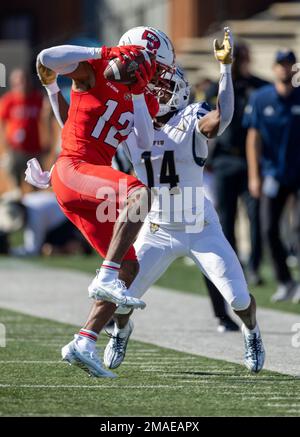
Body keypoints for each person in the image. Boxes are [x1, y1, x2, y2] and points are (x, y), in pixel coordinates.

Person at [38, 28, 265, 376]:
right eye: (155, 83)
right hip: (156, 226)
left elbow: (224, 118)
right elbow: (80, 123)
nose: (159, 88)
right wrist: (55, 92)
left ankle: (252, 332)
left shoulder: (190, 118)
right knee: (121, 299)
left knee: (237, 299)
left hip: (197, 224)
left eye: (164, 84)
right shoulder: (133, 117)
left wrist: (225, 69)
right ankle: (120, 332)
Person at [33, 26, 176, 377]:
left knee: (130, 269)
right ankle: (105, 276)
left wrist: (140, 92)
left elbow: (143, 144)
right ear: (136, 56)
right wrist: (105, 53)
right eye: (156, 67)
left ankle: (84, 341)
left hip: (87, 179)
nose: (159, 77)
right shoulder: (94, 69)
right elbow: (45, 59)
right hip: (74, 169)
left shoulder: (146, 95)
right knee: (140, 194)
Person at [206, 43, 269, 286]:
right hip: (224, 160)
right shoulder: (219, 86)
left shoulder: (259, 87)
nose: (242, 62)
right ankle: (234, 266)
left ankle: (254, 266)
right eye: (237, 58)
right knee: (226, 217)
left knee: (255, 218)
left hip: (251, 160)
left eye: (244, 57)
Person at [245, 49, 300, 303]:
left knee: (298, 227)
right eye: (281, 64)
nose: (285, 69)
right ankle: (285, 281)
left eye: (289, 64)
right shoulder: (261, 97)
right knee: (268, 228)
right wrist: (254, 176)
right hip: (272, 173)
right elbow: (253, 138)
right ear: (274, 67)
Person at [0, 69, 44, 188]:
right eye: (18, 82)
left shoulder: (37, 99)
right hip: (15, 149)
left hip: (34, 148)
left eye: (24, 81)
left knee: (36, 183)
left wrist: (47, 141)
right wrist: (5, 145)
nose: (22, 85)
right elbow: (2, 123)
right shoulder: (8, 100)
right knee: (15, 180)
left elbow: (46, 122)